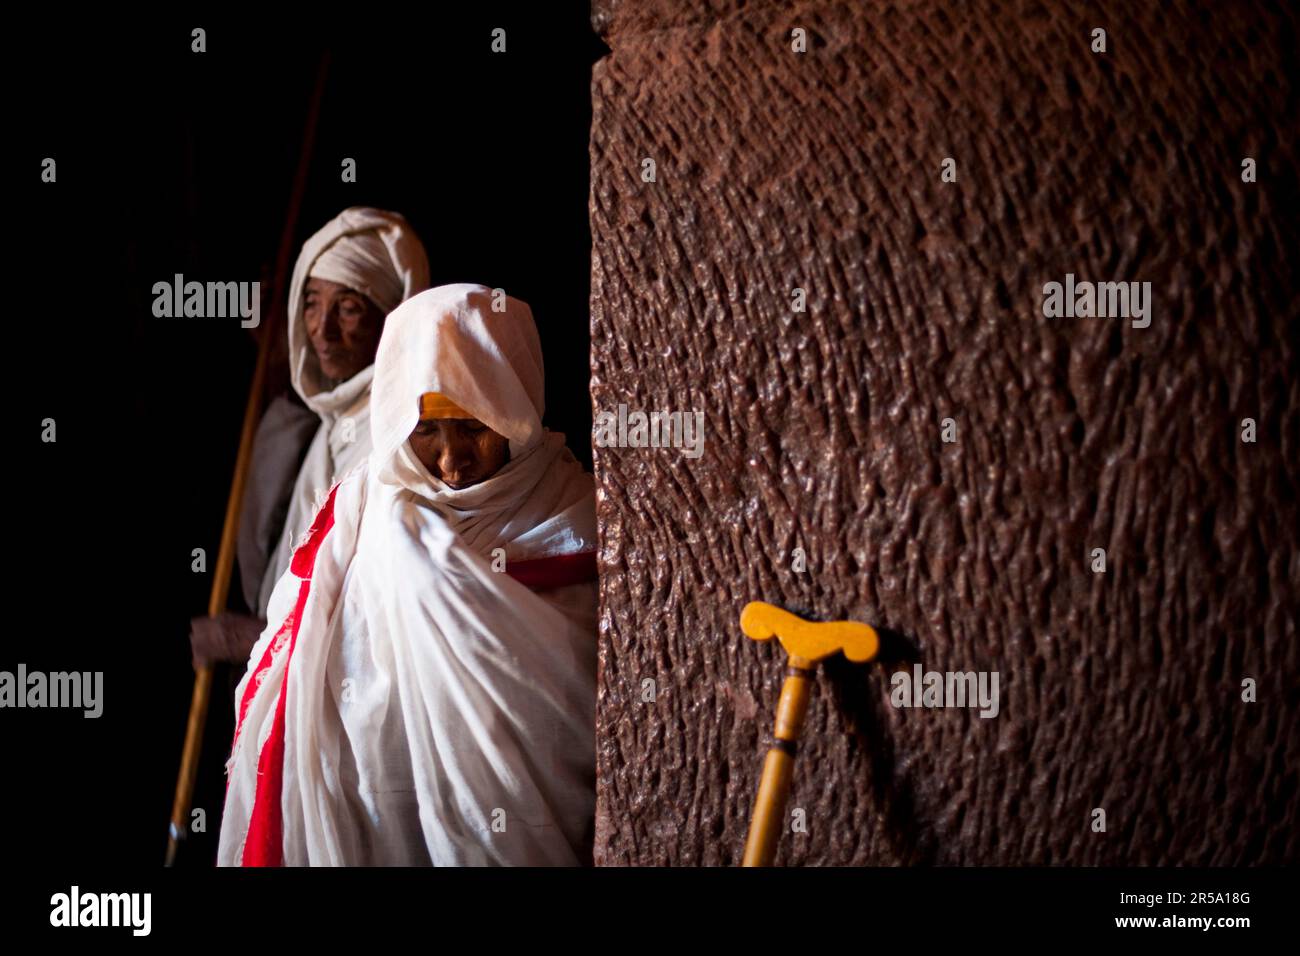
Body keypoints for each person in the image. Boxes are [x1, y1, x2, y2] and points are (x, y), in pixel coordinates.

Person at [217, 284, 599, 866]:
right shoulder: (358, 520)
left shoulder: (572, 516)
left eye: (475, 428)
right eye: (426, 431)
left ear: (518, 411)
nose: (450, 462)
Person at [190, 207, 429, 666]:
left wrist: (250, 639)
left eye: (349, 307)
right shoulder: (333, 422)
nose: (322, 329)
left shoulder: (401, 439)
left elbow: (377, 634)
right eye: (312, 303)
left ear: (390, 318)